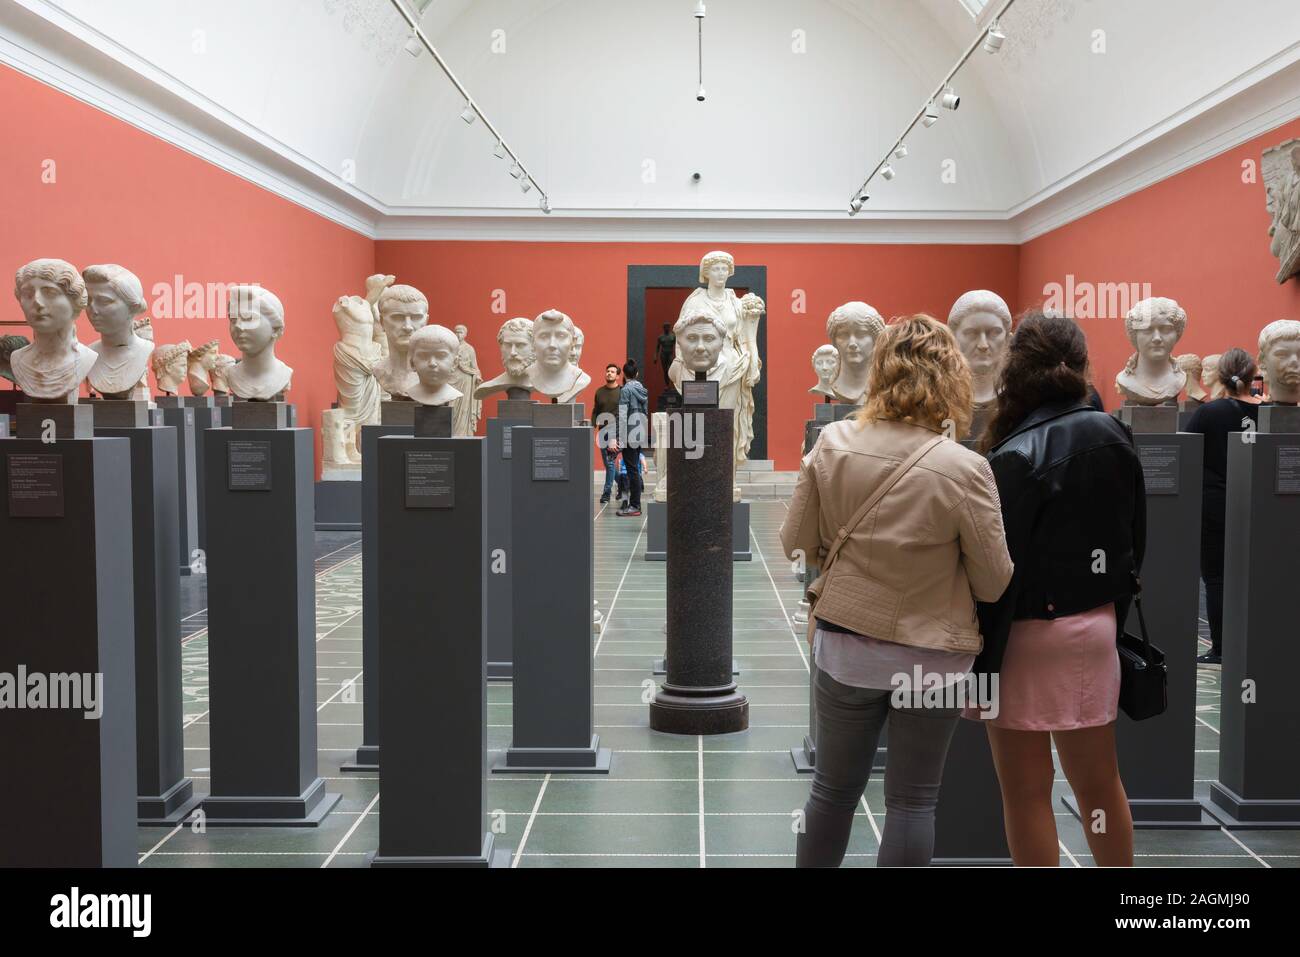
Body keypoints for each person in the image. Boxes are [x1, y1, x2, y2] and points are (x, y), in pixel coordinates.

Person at [781, 315, 1014, 867]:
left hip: (847, 649)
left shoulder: (832, 443)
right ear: (951, 377)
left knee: (832, 793)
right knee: (913, 802)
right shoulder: (966, 467)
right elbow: (994, 578)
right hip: (932, 655)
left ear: (881, 371)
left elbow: (796, 542)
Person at [971, 312, 1145, 867]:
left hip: (1025, 637)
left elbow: (997, 569)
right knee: (1100, 785)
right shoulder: (1115, 433)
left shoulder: (1014, 455)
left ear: (1016, 367)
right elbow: (1134, 542)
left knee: (1026, 794)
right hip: (1094, 627)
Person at [1185, 349, 1262, 664]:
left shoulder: (1209, 413)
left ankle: (1220, 647)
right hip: (1257, 501)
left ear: (1220, 376)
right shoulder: (1268, 411)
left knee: (1216, 577)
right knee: (1256, 573)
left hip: (1214, 504)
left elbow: (1186, 454)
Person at [613, 359, 648, 517]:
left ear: (624, 374)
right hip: (639, 432)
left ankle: (635, 505)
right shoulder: (642, 389)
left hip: (629, 434)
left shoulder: (626, 390)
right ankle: (635, 504)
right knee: (635, 469)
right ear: (637, 373)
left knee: (632, 470)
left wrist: (619, 438)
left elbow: (622, 415)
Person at [593, 363, 623, 505]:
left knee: (610, 463)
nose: (609, 373)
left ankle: (606, 493)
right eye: (607, 371)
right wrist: (593, 427)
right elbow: (596, 411)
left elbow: (623, 414)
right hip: (602, 432)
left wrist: (617, 436)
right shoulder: (599, 392)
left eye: (612, 372)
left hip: (615, 433)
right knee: (608, 463)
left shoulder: (622, 392)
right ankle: (624, 484)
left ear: (618, 375)